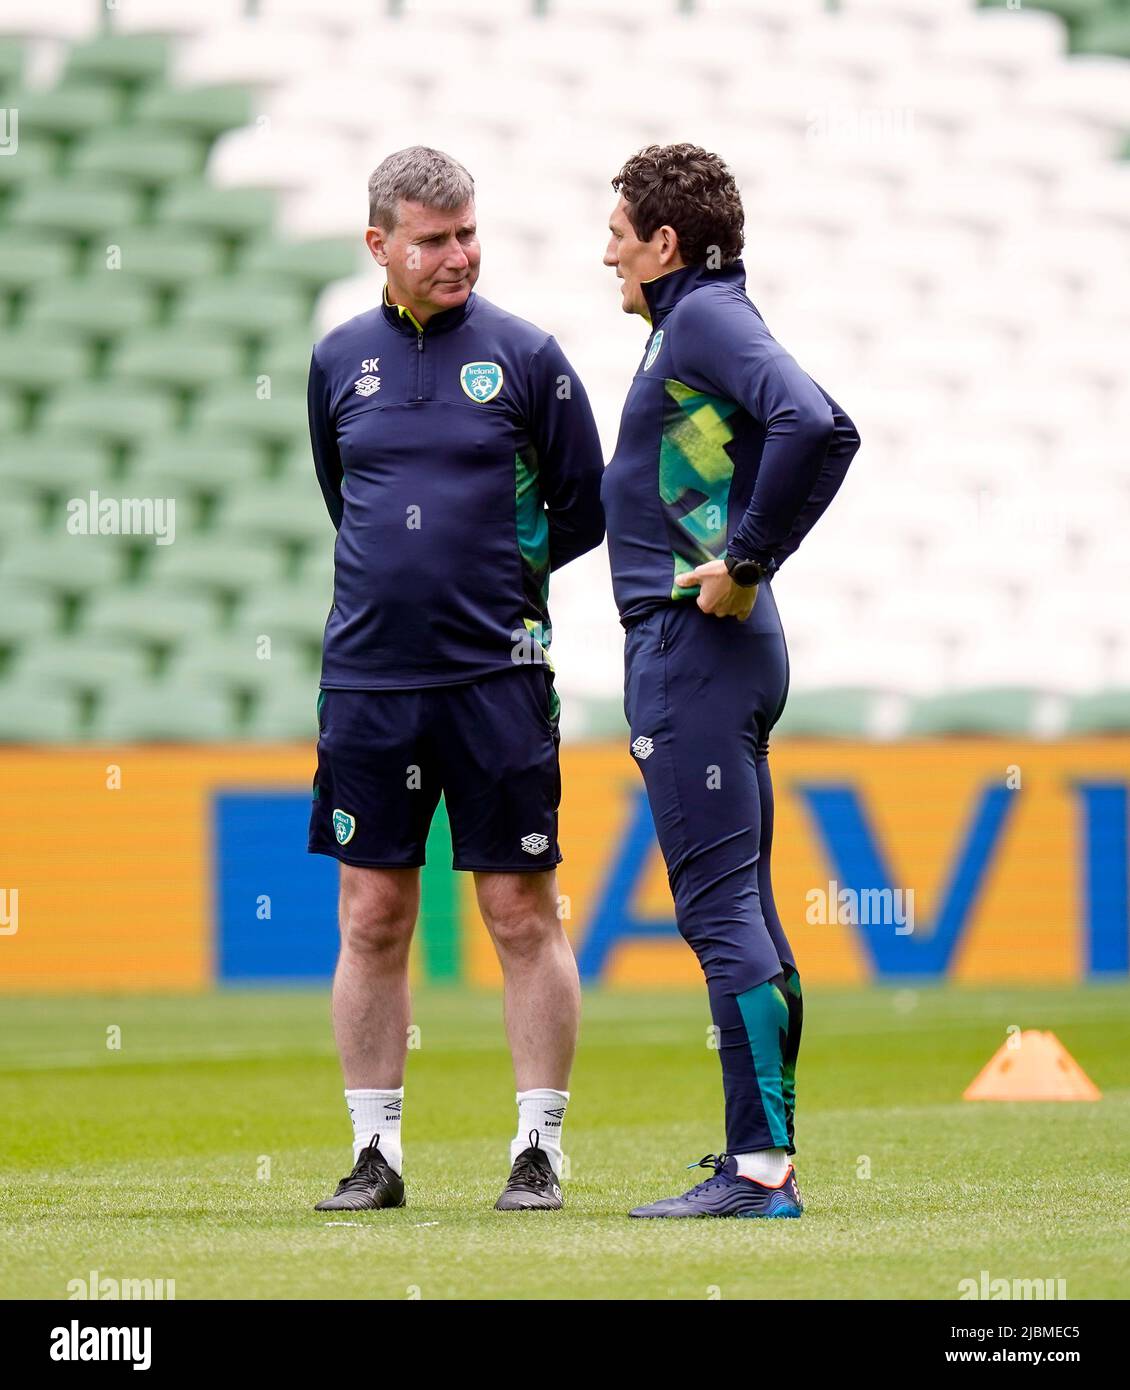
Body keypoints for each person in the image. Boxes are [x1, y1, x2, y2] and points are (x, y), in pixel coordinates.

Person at [307, 147, 604, 1212]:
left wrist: (491, 582)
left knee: (521, 910)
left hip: (498, 675)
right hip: (371, 682)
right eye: (432, 238)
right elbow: (347, 498)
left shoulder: (528, 356)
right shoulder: (338, 359)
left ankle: (539, 1148)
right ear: (379, 243)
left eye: (467, 231)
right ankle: (374, 1154)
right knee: (371, 914)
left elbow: (582, 505)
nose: (456, 254)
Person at [600, 143, 861, 1217]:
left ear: (665, 242)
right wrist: (752, 558)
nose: (603, 250)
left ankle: (759, 1170)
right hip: (716, 650)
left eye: (616, 232)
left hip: (694, 650)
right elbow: (822, 428)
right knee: (739, 905)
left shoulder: (701, 316)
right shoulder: (697, 324)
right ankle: (763, 1157)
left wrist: (747, 558)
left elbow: (815, 423)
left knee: (716, 911)